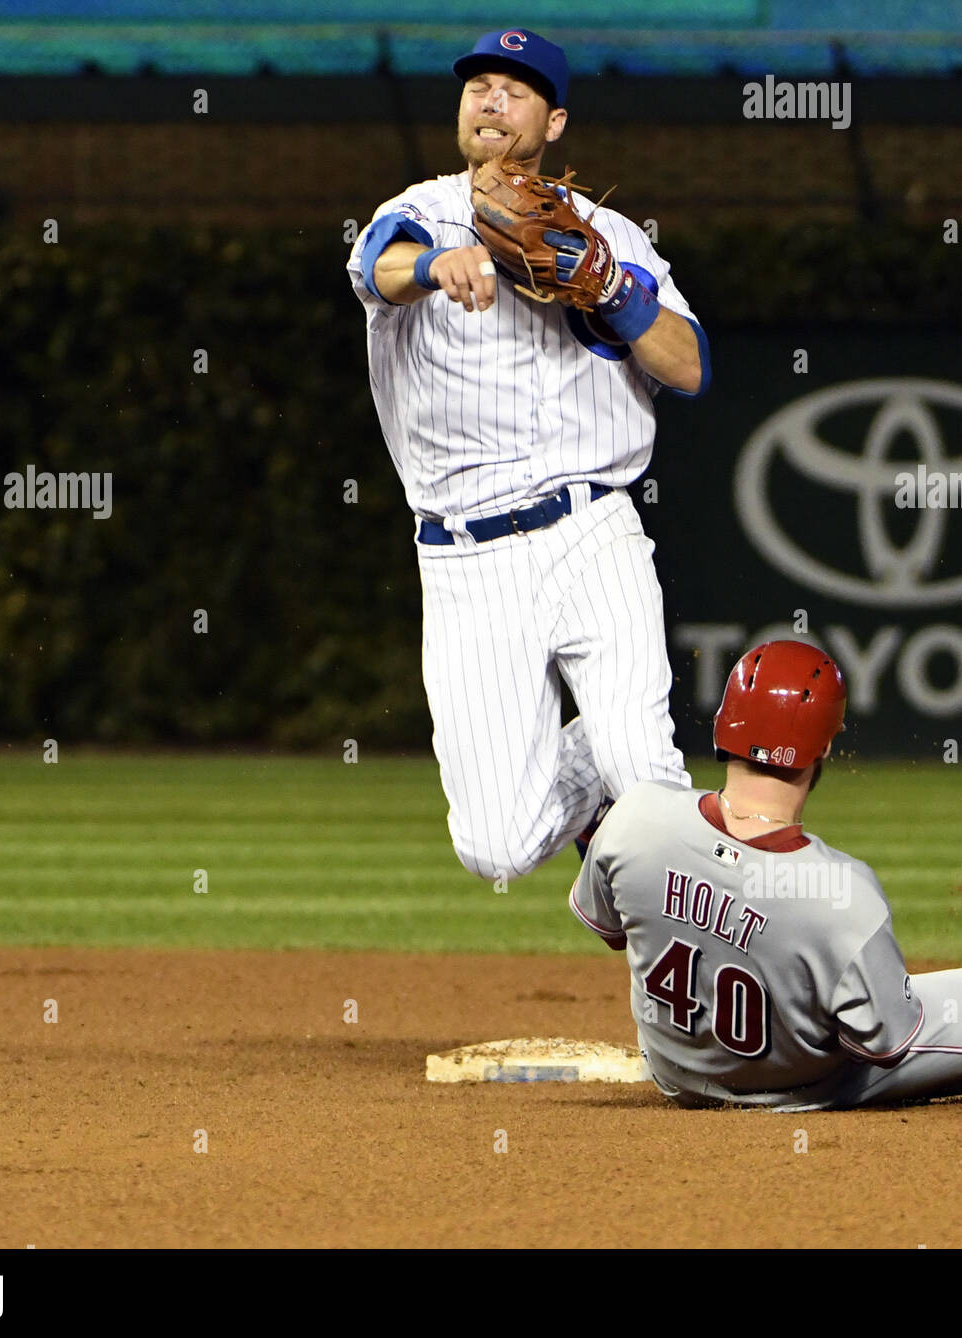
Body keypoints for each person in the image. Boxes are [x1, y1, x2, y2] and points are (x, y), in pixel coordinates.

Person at [346, 28, 710, 883]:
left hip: (593, 529)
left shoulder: (611, 234)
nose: (492, 98)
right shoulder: (418, 214)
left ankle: (691, 997)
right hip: (466, 559)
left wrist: (614, 289)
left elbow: (689, 366)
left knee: (648, 780)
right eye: (479, 85)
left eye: (517, 88)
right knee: (496, 848)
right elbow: (376, 267)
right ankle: (600, 760)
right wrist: (440, 264)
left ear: (555, 123)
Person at [571, 639, 962, 1110]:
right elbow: (882, 1043)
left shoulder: (635, 816)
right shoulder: (842, 893)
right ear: (825, 748)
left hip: (672, 1071)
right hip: (802, 1086)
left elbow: (611, 928)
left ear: (725, 724)